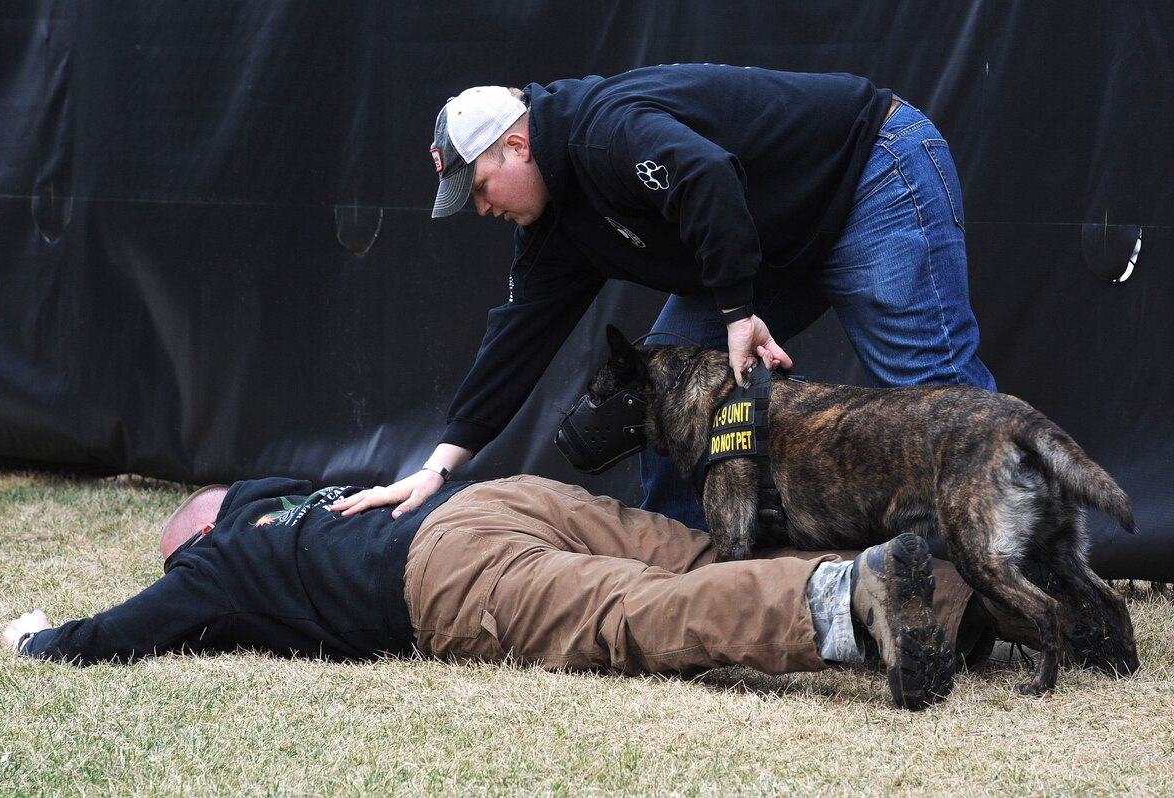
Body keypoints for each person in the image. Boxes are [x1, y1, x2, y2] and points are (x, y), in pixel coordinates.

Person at [331, 64, 997, 530]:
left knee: (933, 396)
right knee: (667, 380)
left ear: (516, 145)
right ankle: (691, 584)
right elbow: (515, 343)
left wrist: (736, 312)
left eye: (478, 189)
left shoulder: (601, 131)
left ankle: (1036, 586)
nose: (480, 210)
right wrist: (437, 468)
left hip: (868, 172)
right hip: (767, 238)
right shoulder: (553, 228)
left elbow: (705, 175)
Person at [1, 476, 999, 711]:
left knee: (630, 614)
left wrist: (41, 640)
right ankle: (964, 592)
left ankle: (861, 600)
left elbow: (121, 634)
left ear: (193, 537)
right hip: (499, 501)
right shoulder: (289, 496)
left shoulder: (213, 564)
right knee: (682, 556)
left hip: (445, 577)